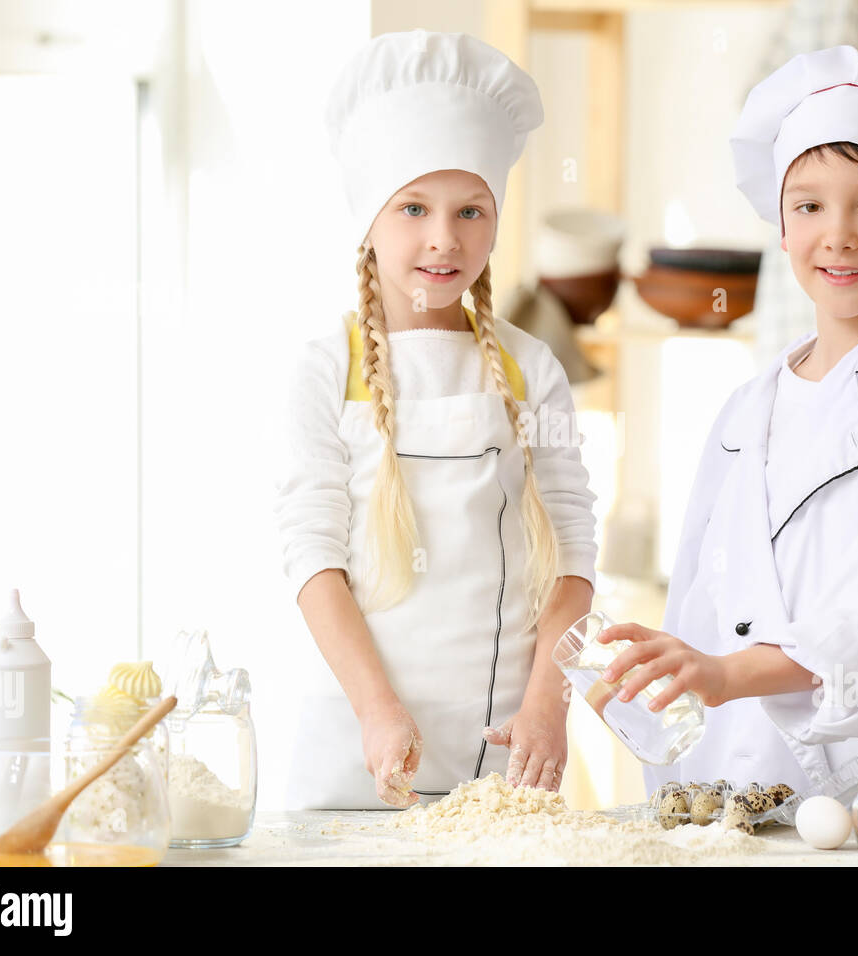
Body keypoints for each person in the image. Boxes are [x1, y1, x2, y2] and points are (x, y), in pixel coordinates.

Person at [598, 45, 858, 796]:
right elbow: (703, 593)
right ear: (782, 232)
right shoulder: (746, 406)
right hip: (737, 785)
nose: (839, 235)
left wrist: (727, 673)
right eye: (809, 206)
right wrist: (659, 680)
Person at [274, 30, 596, 809]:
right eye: (413, 207)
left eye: (470, 211)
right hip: (353, 754)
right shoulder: (325, 369)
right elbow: (311, 560)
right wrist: (378, 711)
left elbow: (576, 557)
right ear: (369, 220)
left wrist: (549, 706)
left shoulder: (532, 369)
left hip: (507, 757)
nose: (444, 238)